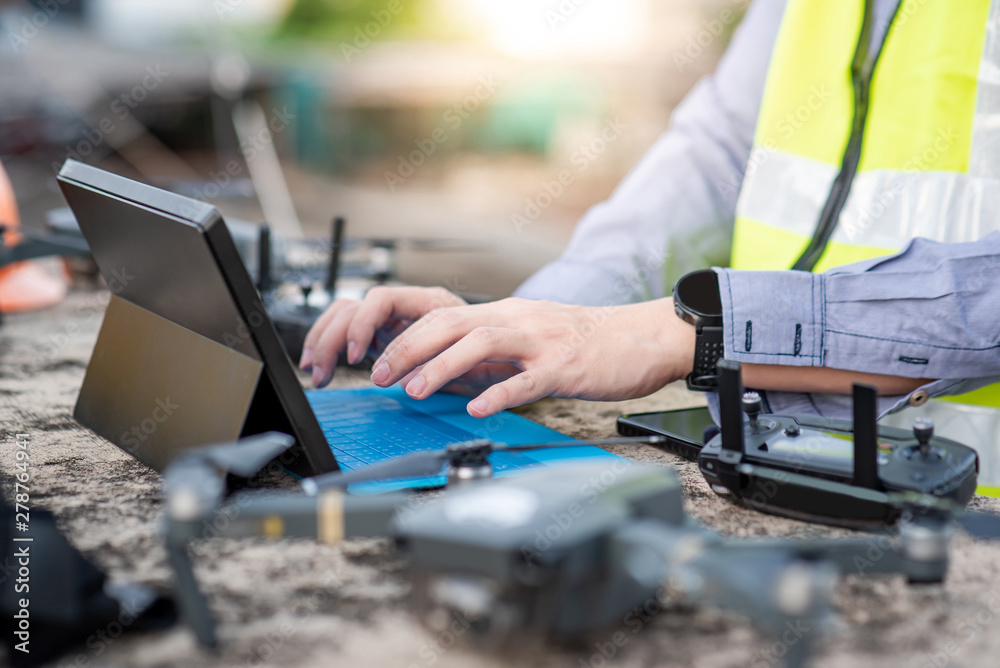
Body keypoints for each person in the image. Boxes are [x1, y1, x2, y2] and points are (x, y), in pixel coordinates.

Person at [300, 0, 1000, 491]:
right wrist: (537, 326)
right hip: (770, 464)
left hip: (972, 512)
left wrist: (688, 331)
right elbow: (722, 152)